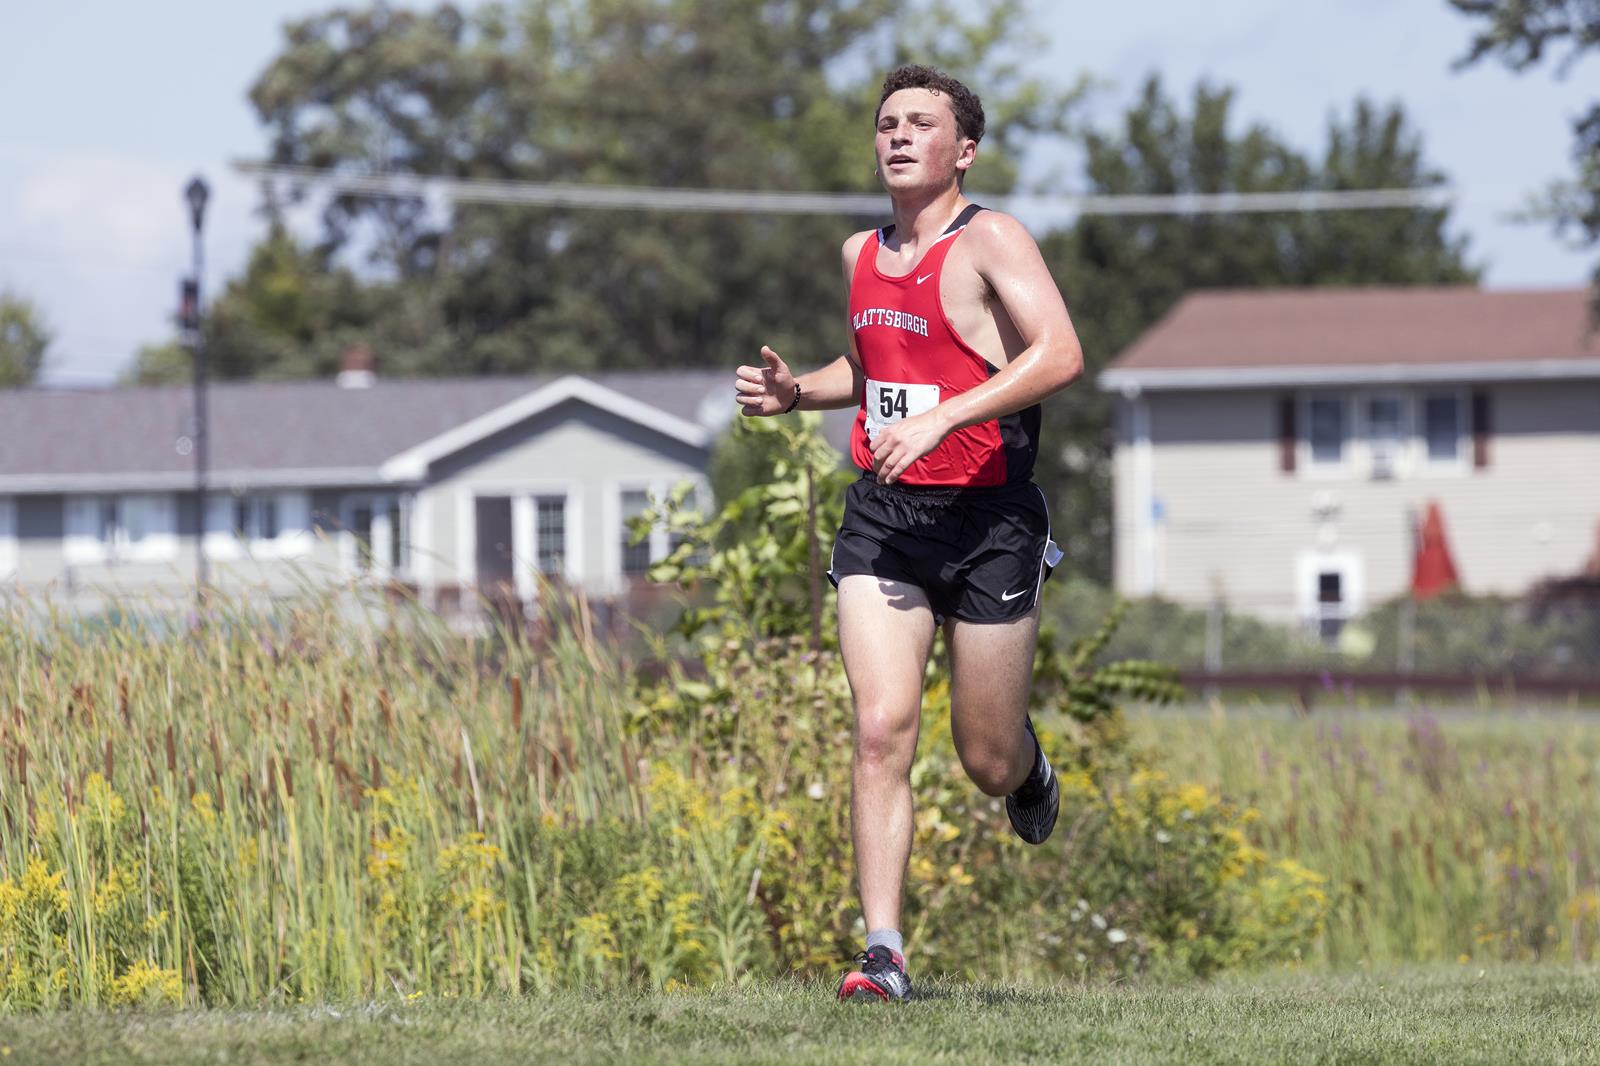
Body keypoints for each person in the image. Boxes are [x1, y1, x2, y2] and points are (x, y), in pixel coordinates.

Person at [734, 64, 1085, 1002]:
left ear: (961, 150)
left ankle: (1027, 765)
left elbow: (1062, 353)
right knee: (881, 730)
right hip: (885, 520)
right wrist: (796, 394)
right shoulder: (859, 251)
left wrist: (948, 417)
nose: (896, 136)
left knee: (984, 757)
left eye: (919, 124)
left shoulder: (992, 239)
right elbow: (875, 364)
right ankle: (883, 955)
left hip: (991, 522)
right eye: (886, 123)